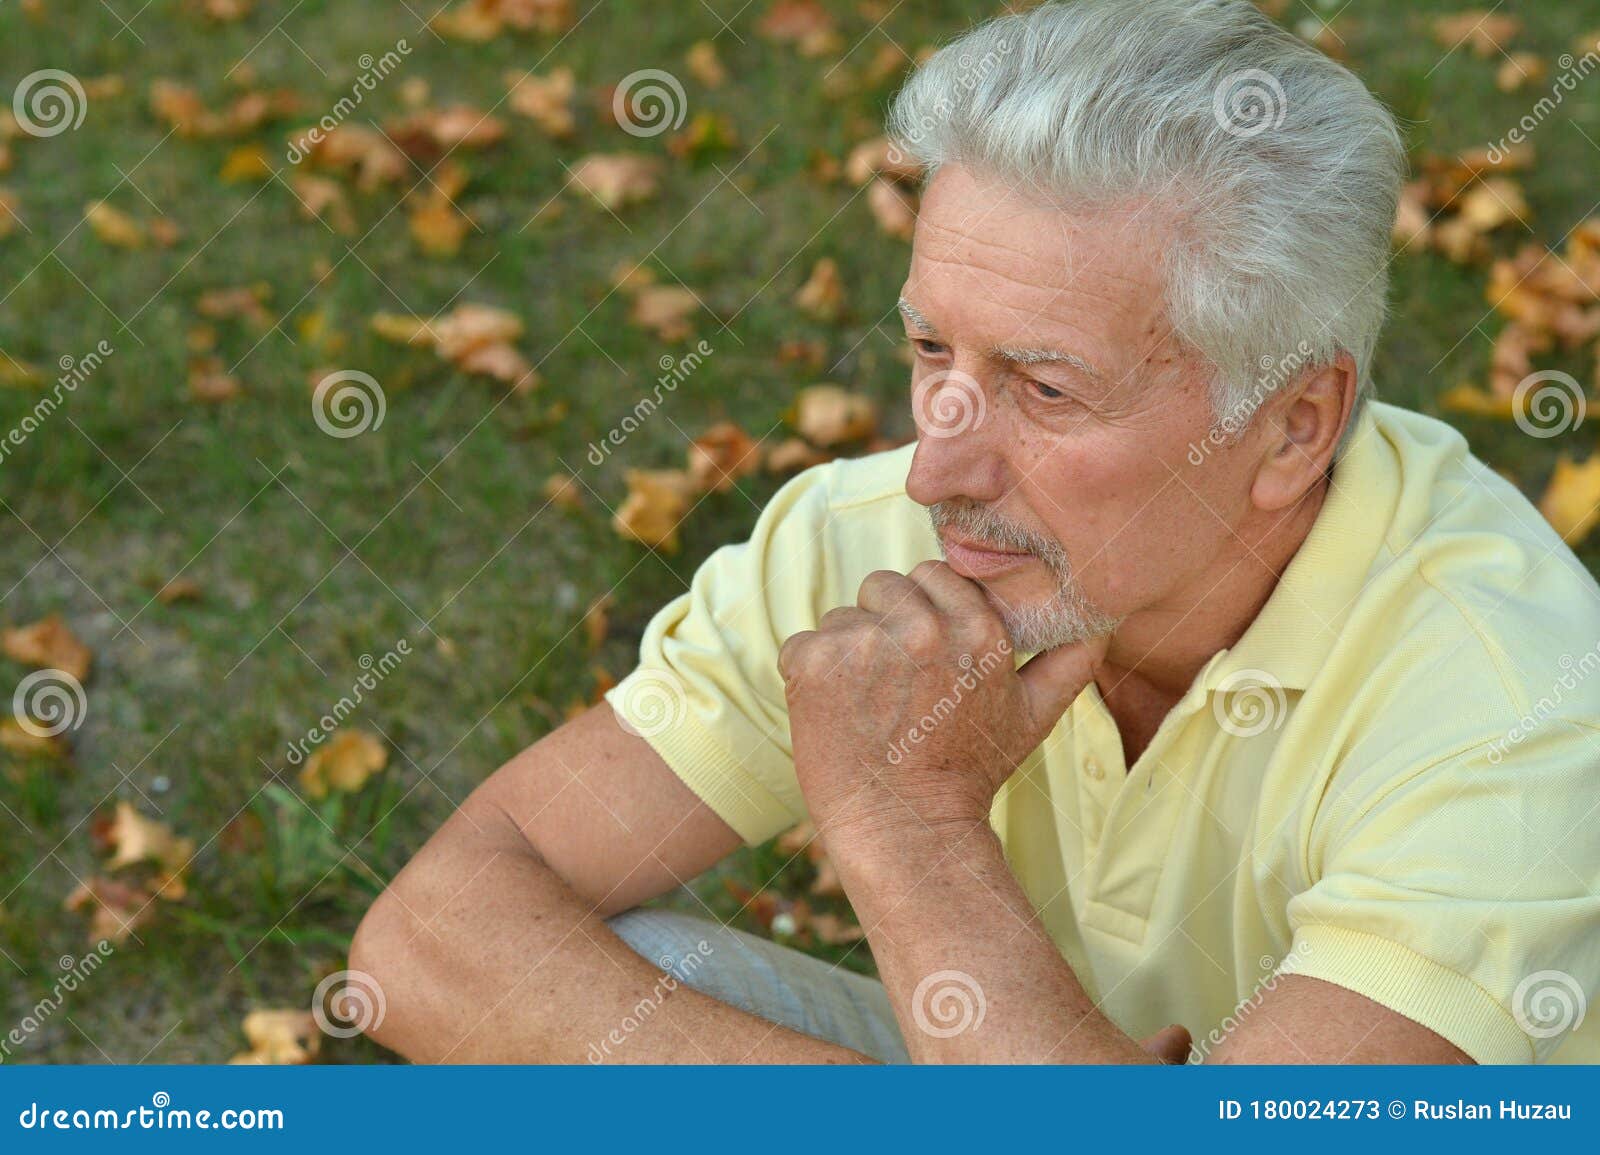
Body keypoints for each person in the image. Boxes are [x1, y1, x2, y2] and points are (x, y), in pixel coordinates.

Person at [352, 0, 1600, 1064]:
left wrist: (906, 825)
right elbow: (428, 941)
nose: (938, 466)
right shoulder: (868, 536)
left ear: (1289, 429)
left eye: (1045, 390)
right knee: (607, 972)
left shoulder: (1516, 698)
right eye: (931, 349)